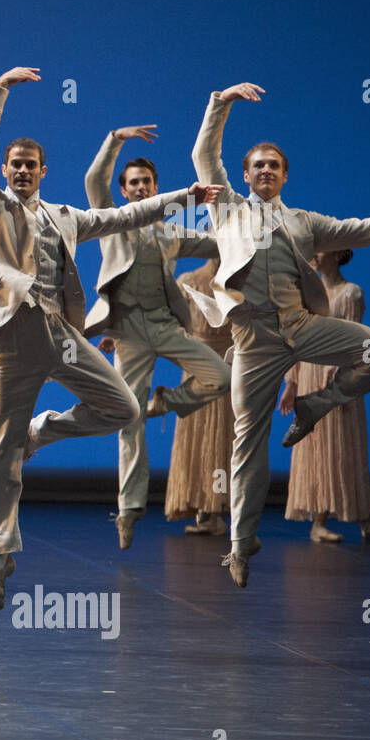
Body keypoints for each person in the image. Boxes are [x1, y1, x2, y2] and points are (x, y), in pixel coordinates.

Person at [0, 66, 221, 610]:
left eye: (31, 165)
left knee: (123, 408)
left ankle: (44, 430)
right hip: (12, 335)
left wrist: (185, 195)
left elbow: (128, 214)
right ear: (5, 170)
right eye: (15, 165)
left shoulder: (66, 217)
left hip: (62, 332)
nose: (23, 171)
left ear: (44, 171)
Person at [189, 82, 370, 587]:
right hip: (253, 341)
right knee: (247, 441)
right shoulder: (227, 210)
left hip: (303, 327)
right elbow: (204, 153)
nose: (266, 171)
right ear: (245, 176)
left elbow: (369, 228)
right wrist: (220, 102)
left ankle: (319, 404)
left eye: (274, 165)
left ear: (285, 175)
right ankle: (239, 544)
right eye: (257, 166)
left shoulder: (305, 223)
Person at [84, 125, 228, 548]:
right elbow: (94, 182)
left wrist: (251, 229)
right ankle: (129, 508)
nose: (140, 188)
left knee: (218, 377)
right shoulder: (111, 221)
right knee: (129, 418)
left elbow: (217, 243)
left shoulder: (171, 231)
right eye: (133, 183)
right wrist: (114, 139)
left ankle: (167, 402)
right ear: (124, 191)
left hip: (164, 326)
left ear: (156, 188)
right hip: (127, 331)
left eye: (147, 182)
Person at [280, 250, 370, 542]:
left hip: (336, 376)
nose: (314, 255)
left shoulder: (350, 294)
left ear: (336, 254)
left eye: (320, 250)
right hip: (310, 373)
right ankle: (321, 520)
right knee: (315, 444)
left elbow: (357, 340)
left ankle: (360, 509)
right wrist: (291, 384)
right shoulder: (307, 293)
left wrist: (340, 368)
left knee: (337, 444)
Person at [163, 258, 233, 536]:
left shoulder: (238, 281)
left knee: (220, 439)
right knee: (200, 437)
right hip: (197, 367)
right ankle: (204, 507)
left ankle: (216, 508)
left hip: (227, 367)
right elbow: (169, 323)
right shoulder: (188, 282)